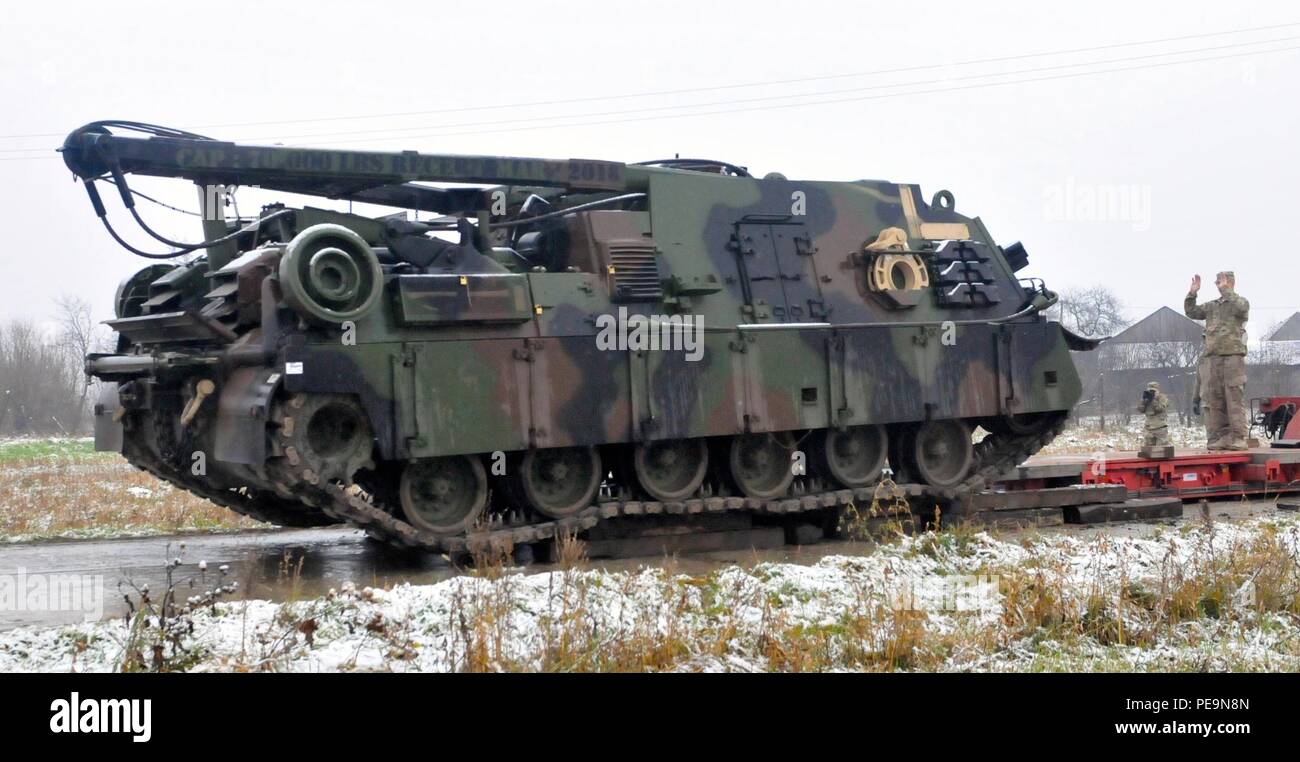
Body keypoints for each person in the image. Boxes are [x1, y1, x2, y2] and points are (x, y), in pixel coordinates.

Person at [1184, 272, 1250, 450]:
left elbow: (1242, 309)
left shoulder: (1239, 302)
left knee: (1233, 397)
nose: (1218, 285)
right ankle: (1219, 437)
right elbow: (1191, 312)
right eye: (1217, 282)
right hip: (1213, 357)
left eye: (1221, 281)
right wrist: (1192, 293)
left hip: (1232, 356)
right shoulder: (1212, 306)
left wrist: (1228, 290)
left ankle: (1238, 438)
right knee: (1215, 399)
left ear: (1230, 283)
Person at [1139, 381, 1170, 448]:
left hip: (1160, 427)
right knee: (1148, 450)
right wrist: (1144, 402)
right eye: (1150, 390)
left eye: (1153, 391)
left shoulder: (1162, 398)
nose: (1151, 393)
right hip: (1149, 427)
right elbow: (1140, 410)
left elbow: (1160, 409)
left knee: (1161, 450)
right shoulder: (1147, 398)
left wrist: (1154, 400)